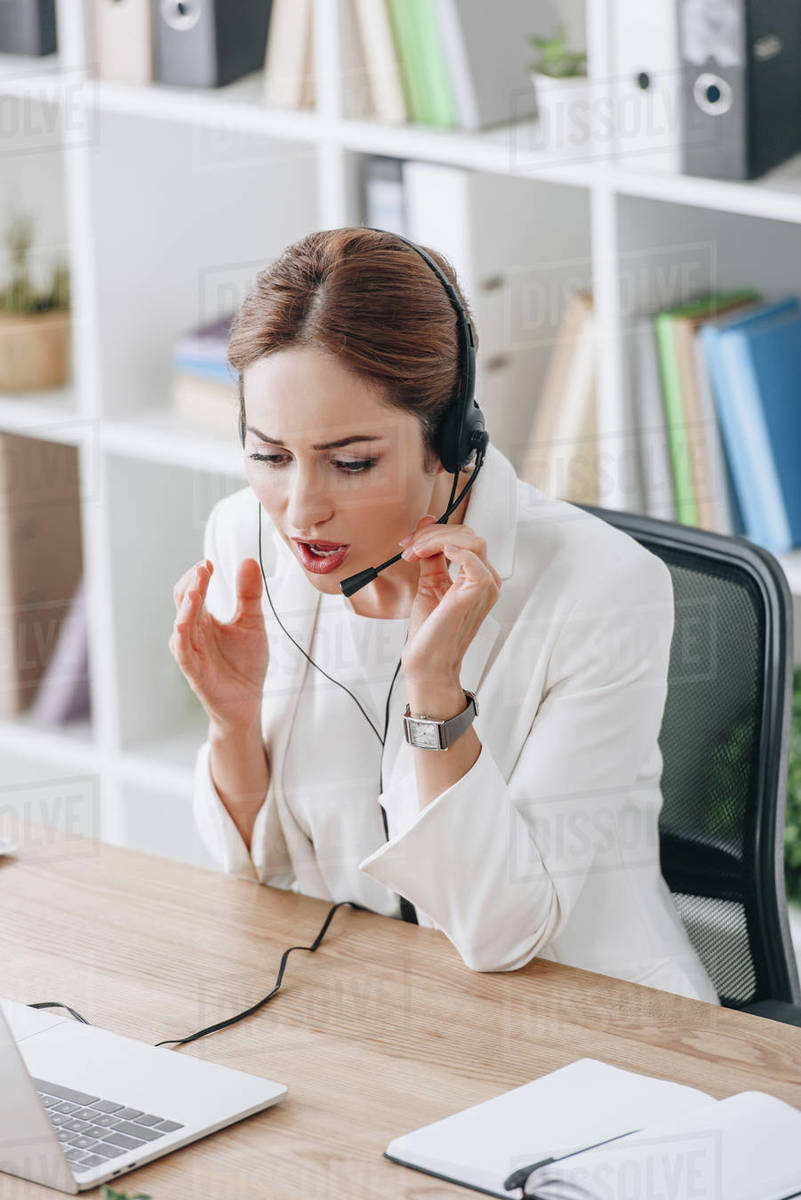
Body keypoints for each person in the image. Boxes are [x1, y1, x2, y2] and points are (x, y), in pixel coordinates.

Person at [170, 226, 720, 1004]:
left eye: (352, 462)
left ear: (449, 436)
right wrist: (232, 724)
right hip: (377, 1003)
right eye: (269, 457)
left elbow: (504, 935)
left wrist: (436, 696)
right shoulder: (247, 537)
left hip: (587, 1020)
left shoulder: (604, 590)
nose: (301, 511)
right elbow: (263, 878)